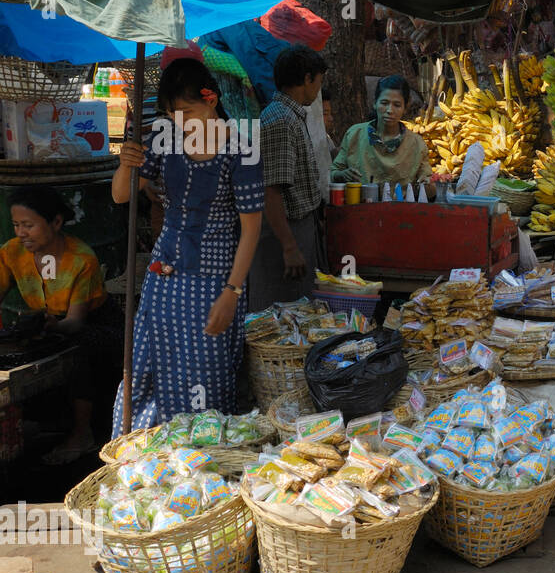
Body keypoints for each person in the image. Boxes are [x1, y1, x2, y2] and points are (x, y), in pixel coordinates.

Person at [111, 58, 264, 434]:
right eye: (172, 114)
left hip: (214, 283)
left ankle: (204, 466)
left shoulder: (242, 150)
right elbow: (119, 196)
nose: (181, 122)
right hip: (163, 281)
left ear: (211, 99)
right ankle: (149, 460)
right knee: (150, 369)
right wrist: (126, 164)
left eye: (187, 111)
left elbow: (251, 230)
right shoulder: (164, 142)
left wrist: (232, 292)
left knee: (206, 378)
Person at [2, 187, 122, 462]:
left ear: (55, 223)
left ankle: (82, 436)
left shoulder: (81, 258)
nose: (21, 233)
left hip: (95, 326)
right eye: (17, 225)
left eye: (29, 225)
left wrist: (50, 327)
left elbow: (75, 322)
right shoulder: (11, 253)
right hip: (50, 325)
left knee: (78, 350)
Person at [249, 44, 326, 313]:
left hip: (296, 227)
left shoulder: (290, 115)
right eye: (318, 80)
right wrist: (289, 246)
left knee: (299, 310)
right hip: (283, 230)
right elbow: (272, 189)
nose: (318, 89)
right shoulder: (281, 119)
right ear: (307, 78)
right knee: (279, 315)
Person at [330, 74, 431, 188]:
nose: (389, 110)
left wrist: (426, 183)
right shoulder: (355, 135)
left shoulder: (417, 144)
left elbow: (427, 182)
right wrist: (343, 175)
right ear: (375, 103)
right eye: (384, 103)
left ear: (405, 107)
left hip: (401, 205)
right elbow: (334, 172)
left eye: (397, 105)